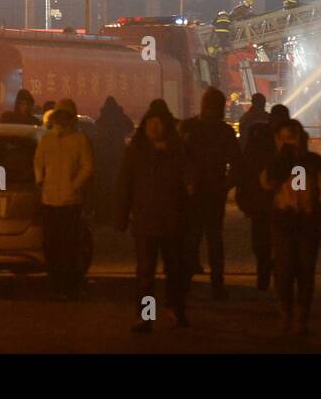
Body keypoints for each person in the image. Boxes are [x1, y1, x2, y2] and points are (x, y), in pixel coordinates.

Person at [115, 109, 192, 333]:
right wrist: (121, 215)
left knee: (175, 272)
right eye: (151, 122)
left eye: (159, 123)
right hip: (146, 223)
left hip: (172, 222)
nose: (155, 127)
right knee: (145, 274)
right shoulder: (135, 152)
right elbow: (124, 185)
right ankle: (146, 316)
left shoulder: (178, 150)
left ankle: (175, 311)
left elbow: (190, 179)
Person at [261, 118, 321, 335]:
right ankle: (285, 313)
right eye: (283, 140)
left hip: (306, 225)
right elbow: (265, 184)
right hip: (283, 223)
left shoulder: (314, 163)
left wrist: (315, 215)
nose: (288, 144)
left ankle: (301, 316)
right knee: (283, 271)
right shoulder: (276, 164)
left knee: (304, 272)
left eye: (291, 139)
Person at [178, 87, 241, 300]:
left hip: (193, 191)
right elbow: (237, 163)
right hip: (215, 190)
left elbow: (178, 158)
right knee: (215, 239)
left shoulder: (189, 127)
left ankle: (184, 284)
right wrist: (226, 185)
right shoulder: (225, 131)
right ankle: (217, 284)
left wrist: (185, 183)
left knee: (191, 237)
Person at [33, 99, 94, 298]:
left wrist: (74, 185)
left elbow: (87, 166)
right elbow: (38, 162)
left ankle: (70, 284)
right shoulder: (47, 139)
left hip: (70, 203)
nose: (62, 120)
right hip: (49, 200)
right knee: (52, 246)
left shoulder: (79, 140)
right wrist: (41, 180)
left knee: (69, 246)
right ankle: (56, 284)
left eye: (66, 116)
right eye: (59, 116)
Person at [236, 98, 279, 291]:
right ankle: (279, 276)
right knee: (277, 243)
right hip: (278, 207)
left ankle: (263, 277)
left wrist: (243, 199)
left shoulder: (250, 157)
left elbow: (243, 179)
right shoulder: (289, 159)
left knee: (259, 244)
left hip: (258, 207)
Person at [88, 96, 132, 224]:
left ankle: (102, 215)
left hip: (103, 157)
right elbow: (130, 127)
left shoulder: (102, 119)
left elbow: (96, 131)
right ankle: (116, 214)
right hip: (118, 155)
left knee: (103, 187)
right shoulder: (120, 117)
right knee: (117, 186)